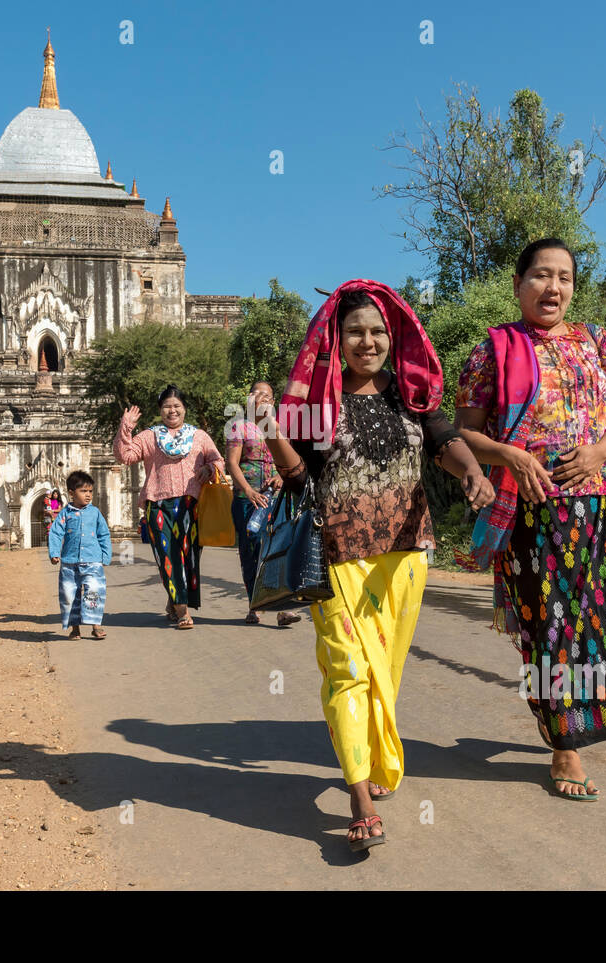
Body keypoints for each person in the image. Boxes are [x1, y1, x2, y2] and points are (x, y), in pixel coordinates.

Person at [258, 279, 494, 853]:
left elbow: (444, 441)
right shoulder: (319, 402)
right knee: (348, 672)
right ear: (336, 341)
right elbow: (297, 476)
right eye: (355, 333)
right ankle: (359, 794)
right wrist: (269, 428)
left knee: (383, 672)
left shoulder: (410, 395)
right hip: (338, 556)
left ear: (393, 338)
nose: (368, 342)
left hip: (406, 557)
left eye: (377, 332)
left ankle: (373, 760)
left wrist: (471, 473)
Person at [455, 238, 606, 801]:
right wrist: (510, 454)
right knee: (550, 628)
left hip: (597, 508)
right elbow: (464, 431)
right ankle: (565, 746)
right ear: (518, 285)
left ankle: (583, 716)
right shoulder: (493, 350)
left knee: (600, 621)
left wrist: (598, 452)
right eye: (541, 275)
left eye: (563, 277)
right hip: (532, 517)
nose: (553, 287)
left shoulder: (596, 340)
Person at [114, 385, 226, 630]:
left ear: (185, 409)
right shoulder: (148, 436)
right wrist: (126, 427)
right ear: (160, 410)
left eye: (177, 406)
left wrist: (209, 468)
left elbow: (218, 460)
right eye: (167, 407)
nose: (172, 411)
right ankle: (183, 611)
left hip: (192, 506)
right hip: (158, 506)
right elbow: (124, 456)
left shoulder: (199, 437)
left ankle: (174, 601)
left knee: (187, 558)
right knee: (167, 556)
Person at [225, 380, 300, 627]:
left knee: (278, 550)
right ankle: (254, 606)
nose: (263, 398)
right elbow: (232, 463)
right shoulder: (239, 426)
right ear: (248, 399)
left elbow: (293, 460)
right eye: (257, 394)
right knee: (252, 553)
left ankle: (282, 609)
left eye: (267, 395)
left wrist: (281, 476)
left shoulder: (281, 426)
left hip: (278, 500)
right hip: (249, 501)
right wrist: (247, 490)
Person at [48, 470, 112, 640]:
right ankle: (75, 628)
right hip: (69, 563)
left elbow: (103, 534)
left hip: (93, 561)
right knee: (70, 595)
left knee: (94, 592)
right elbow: (55, 533)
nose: (88, 495)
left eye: (90, 491)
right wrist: (54, 553)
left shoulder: (95, 513)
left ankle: (96, 626)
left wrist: (106, 555)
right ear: (71, 493)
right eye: (83, 491)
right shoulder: (64, 514)